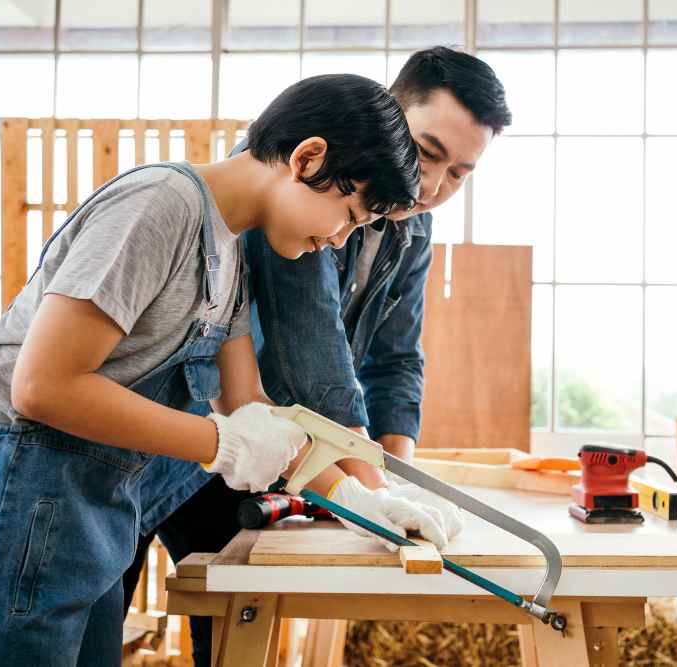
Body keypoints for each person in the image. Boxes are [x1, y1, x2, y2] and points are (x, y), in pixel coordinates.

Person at [0, 74, 448, 666]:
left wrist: (352, 496)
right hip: (6, 500)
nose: (337, 240)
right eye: (346, 214)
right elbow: (43, 386)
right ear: (308, 158)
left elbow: (247, 403)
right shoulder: (160, 204)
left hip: (87, 519)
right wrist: (218, 442)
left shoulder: (230, 253)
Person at [129, 47, 513, 666]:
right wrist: (368, 489)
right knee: (84, 623)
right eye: (427, 152)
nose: (430, 188)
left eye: (460, 174)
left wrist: (393, 483)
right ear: (387, 116)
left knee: (231, 629)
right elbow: (307, 352)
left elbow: (394, 359)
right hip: (157, 433)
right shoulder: (268, 193)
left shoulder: (410, 226)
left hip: (245, 439)